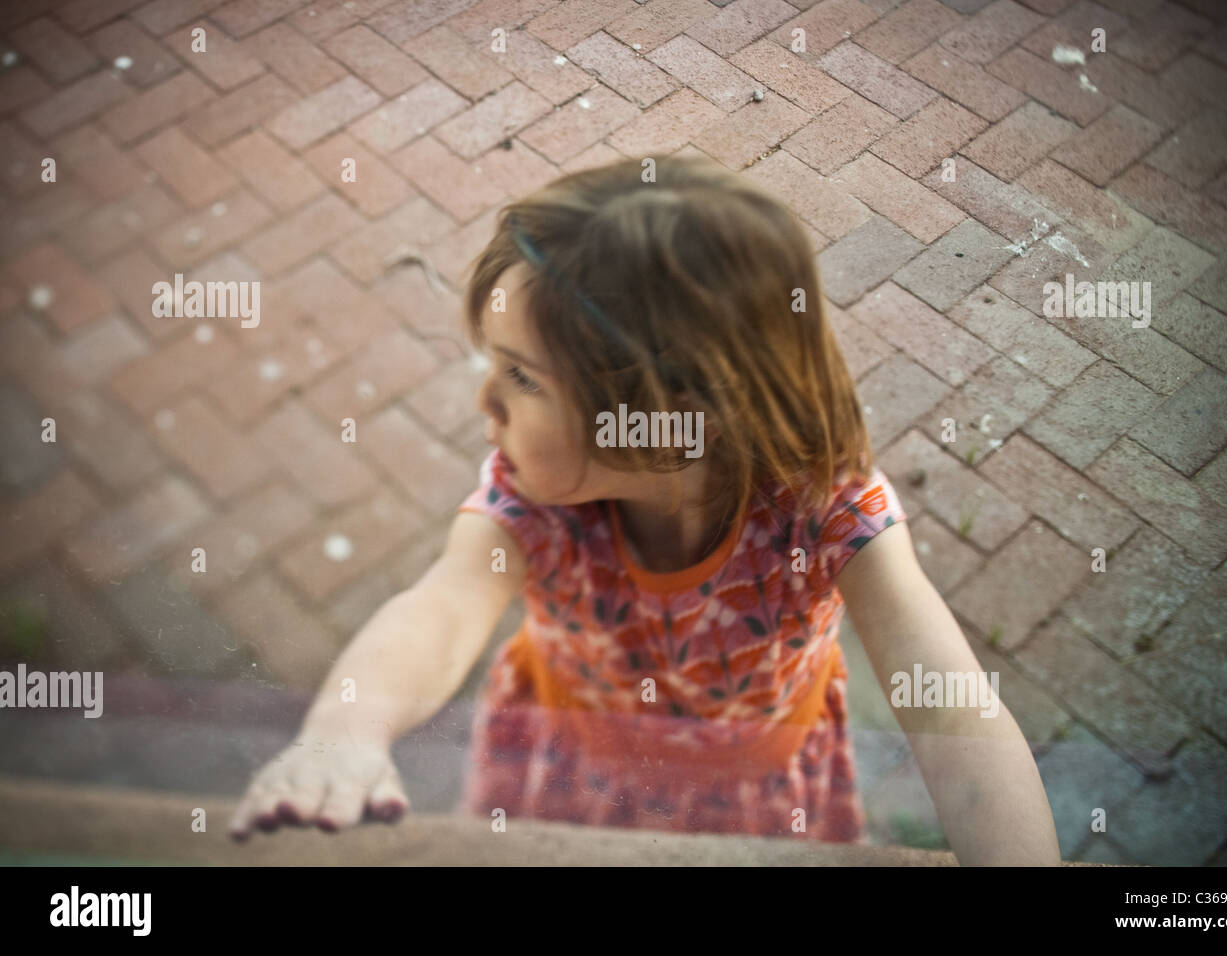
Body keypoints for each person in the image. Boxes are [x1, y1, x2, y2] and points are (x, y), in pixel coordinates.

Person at [229, 154, 1060, 864]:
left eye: (521, 377)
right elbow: (441, 610)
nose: (485, 401)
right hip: (564, 777)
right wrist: (345, 731)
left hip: (762, 807)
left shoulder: (826, 513)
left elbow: (953, 709)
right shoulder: (536, 501)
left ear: (663, 412)